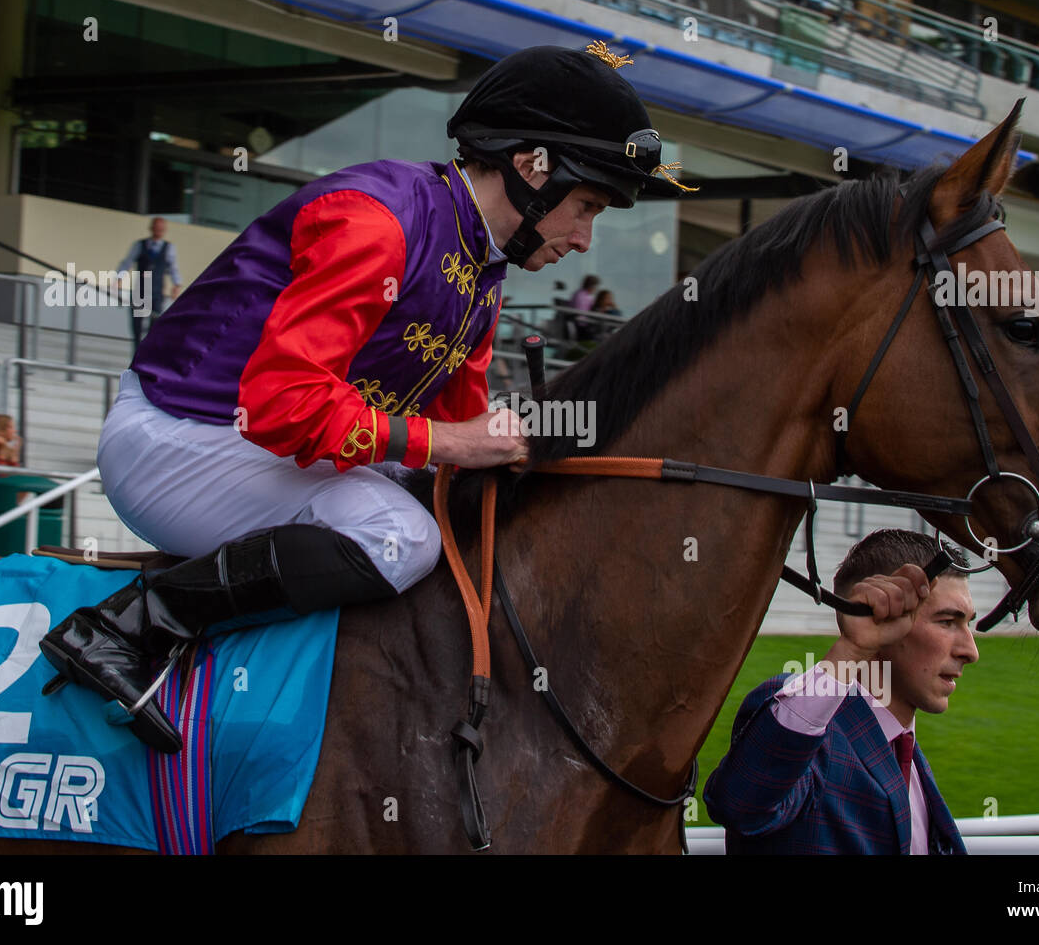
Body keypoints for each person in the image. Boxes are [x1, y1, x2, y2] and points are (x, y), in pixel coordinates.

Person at [39, 42, 689, 753]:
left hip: (254, 442)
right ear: (535, 167)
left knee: (445, 509)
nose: (586, 239)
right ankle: (132, 625)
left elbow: (454, 430)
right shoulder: (376, 220)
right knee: (401, 537)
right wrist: (450, 443)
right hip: (178, 435)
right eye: (586, 205)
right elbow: (284, 403)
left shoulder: (482, 271)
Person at [704, 529, 976, 854]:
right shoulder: (804, 725)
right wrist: (851, 650)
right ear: (880, 616)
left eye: (968, 624)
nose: (970, 651)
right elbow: (742, 805)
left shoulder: (907, 755)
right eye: (947, 622)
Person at [118, 217, 182, 355]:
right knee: (137, 326)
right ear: (151, 228)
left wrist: (177, 284)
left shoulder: (168, 248)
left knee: (155, 325)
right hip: (140, 290)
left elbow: (173, 267)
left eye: (161, 229)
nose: (158, 231)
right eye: (156, 228)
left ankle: (148, 354)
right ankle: (136, 353)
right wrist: (119, 278)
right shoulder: (140, 245)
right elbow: (127, 262)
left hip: (157, 292)